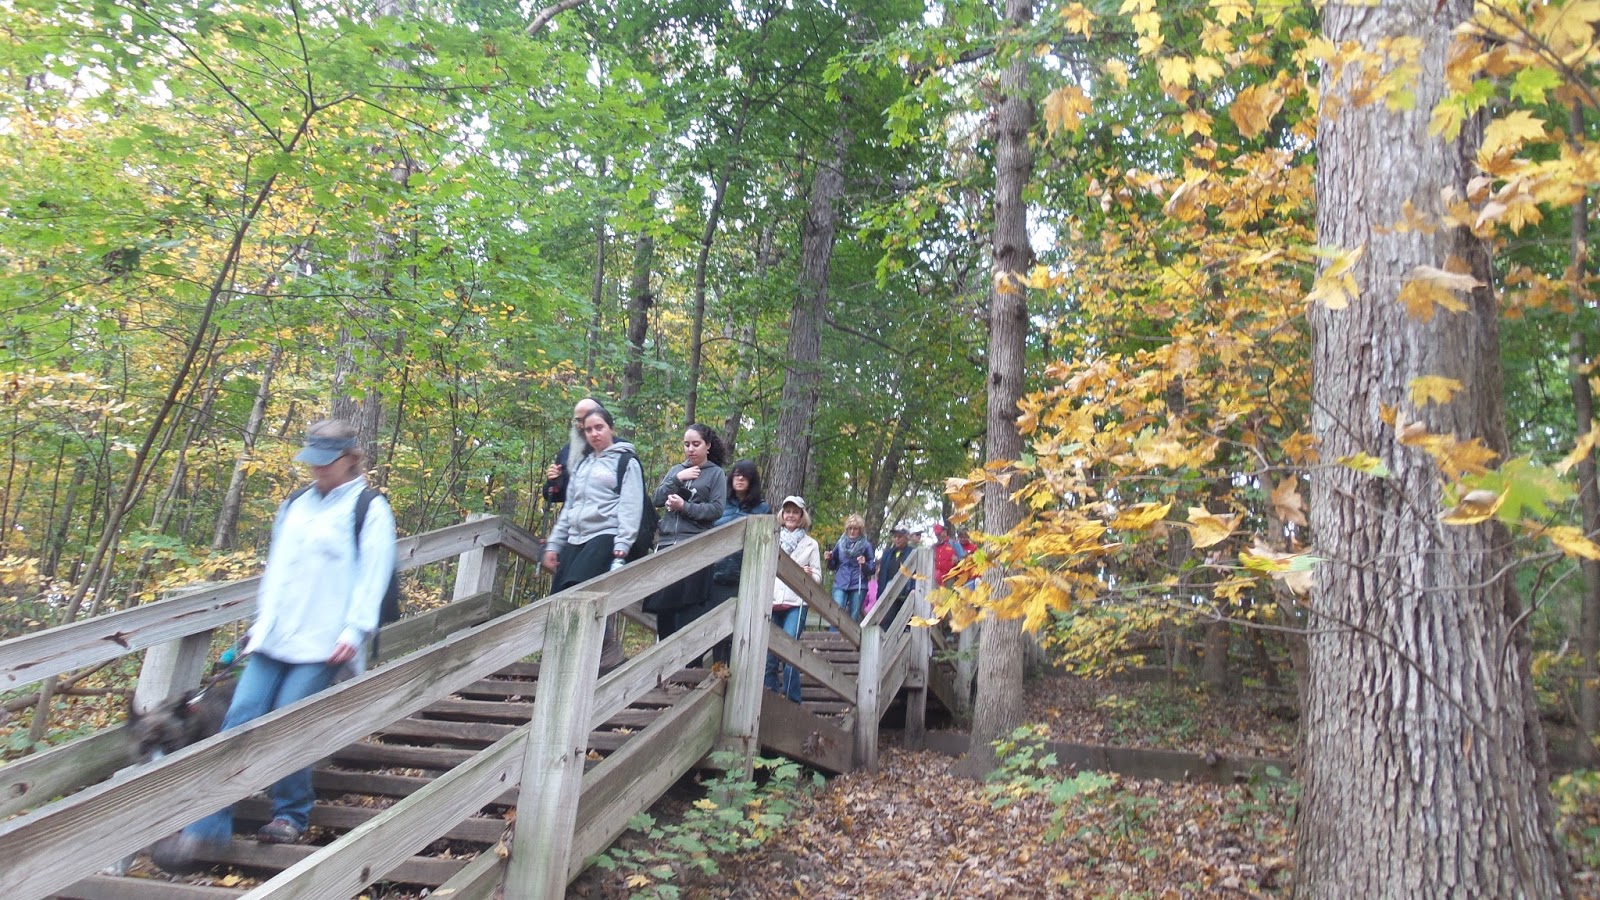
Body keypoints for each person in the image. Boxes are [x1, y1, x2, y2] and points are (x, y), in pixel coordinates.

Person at [154, 419, 396, 870]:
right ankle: (207, 830)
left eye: (327, 463)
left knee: (287, 721)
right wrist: (259, 623)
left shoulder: (369, 507)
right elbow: (278, 571)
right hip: (276, 635)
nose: (317, 470)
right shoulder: (297, 504)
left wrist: (354, 630)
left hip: (326, 641)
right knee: (238, 719)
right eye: (314, 462)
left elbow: (374, 574)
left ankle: (290, 813)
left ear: (349, 459)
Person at [540, 406, 645, 592]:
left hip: (605, 535)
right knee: (557, 595)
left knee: (578, 588)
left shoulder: (626, 461)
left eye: (599, 427)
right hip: (575, 539)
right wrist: (554, 545)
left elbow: (631, 506)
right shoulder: (582, 465)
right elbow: (569, 508)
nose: (594, 434)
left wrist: (623, 543)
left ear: (611, 429)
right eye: (589, 430)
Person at [643, 423, 727, 640]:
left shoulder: (716, 474)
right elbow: (657, 499)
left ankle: (688, 665)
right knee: (664, 606)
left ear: (707, 446)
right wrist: (677, 479)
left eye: (696, 444)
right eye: (687, 444)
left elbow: (716, 509)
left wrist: (685, 507)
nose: (690, 449)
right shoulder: (676, 470)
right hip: (666, 542)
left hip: (694, 544)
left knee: (688, 609)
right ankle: (664, 662)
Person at [701, 460, 771, 666]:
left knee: (739, 628)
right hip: (716, 574)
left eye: (745, 475)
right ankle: (717, 671)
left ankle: (737, 672)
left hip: (745, 578)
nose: (739, 478)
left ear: (752, 480)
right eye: (736, 475)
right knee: (716, 627)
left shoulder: (763, 509)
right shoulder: (719, 503)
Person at [767, 495, 820, 703]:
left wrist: (807, 574)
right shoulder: (772, 536)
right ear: (782, 514)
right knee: (768, 656)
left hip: (795, 603)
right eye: (787, 511)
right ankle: (769, 700)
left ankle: (792, 702)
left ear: (801, 516)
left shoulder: (810, 544)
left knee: (790, 653)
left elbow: (817, 578)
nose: (790, 515)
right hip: (771, 601)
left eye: (795, 512)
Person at [542, 397, 605, 505]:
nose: (582, 425)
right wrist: (554, 480)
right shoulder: (568, 451)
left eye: (586, 418)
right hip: (572, 518)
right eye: (578, 420)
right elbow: (554, 496)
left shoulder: (619, 451)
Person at [825, 514, 875, 623]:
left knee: (854, 614)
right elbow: (833, 566)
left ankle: (850, 640)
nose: (852, 531)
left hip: (858, 584)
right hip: (840, 582)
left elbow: (872, 569)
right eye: (850, 528)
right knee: (836, 611)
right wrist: (829, 559)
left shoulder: (866, 546)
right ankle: (834, 638)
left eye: (855, 529)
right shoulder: (840, 544)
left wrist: (864, 563)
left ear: (860, 530)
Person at [875, 526, 917, 626]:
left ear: (906, 538)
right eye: (895, 536)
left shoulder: (912, 553)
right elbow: (882, 576)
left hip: (905, 595)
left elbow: (916, 573)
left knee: (904, 625)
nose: (897, 539)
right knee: (886, 623)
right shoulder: (887, 554)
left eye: (900, 537)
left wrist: (913, 589)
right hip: (888, 595)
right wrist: (880, 595)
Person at [933, 523, 963, 588]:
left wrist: (957, 561)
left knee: (948, 596)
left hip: (950, 577)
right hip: (936, 578)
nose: (937, 536)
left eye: (939, 533)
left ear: (945, 532)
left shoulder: (953, 543)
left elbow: (963, 559)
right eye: (936, 534)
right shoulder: (934, 547)